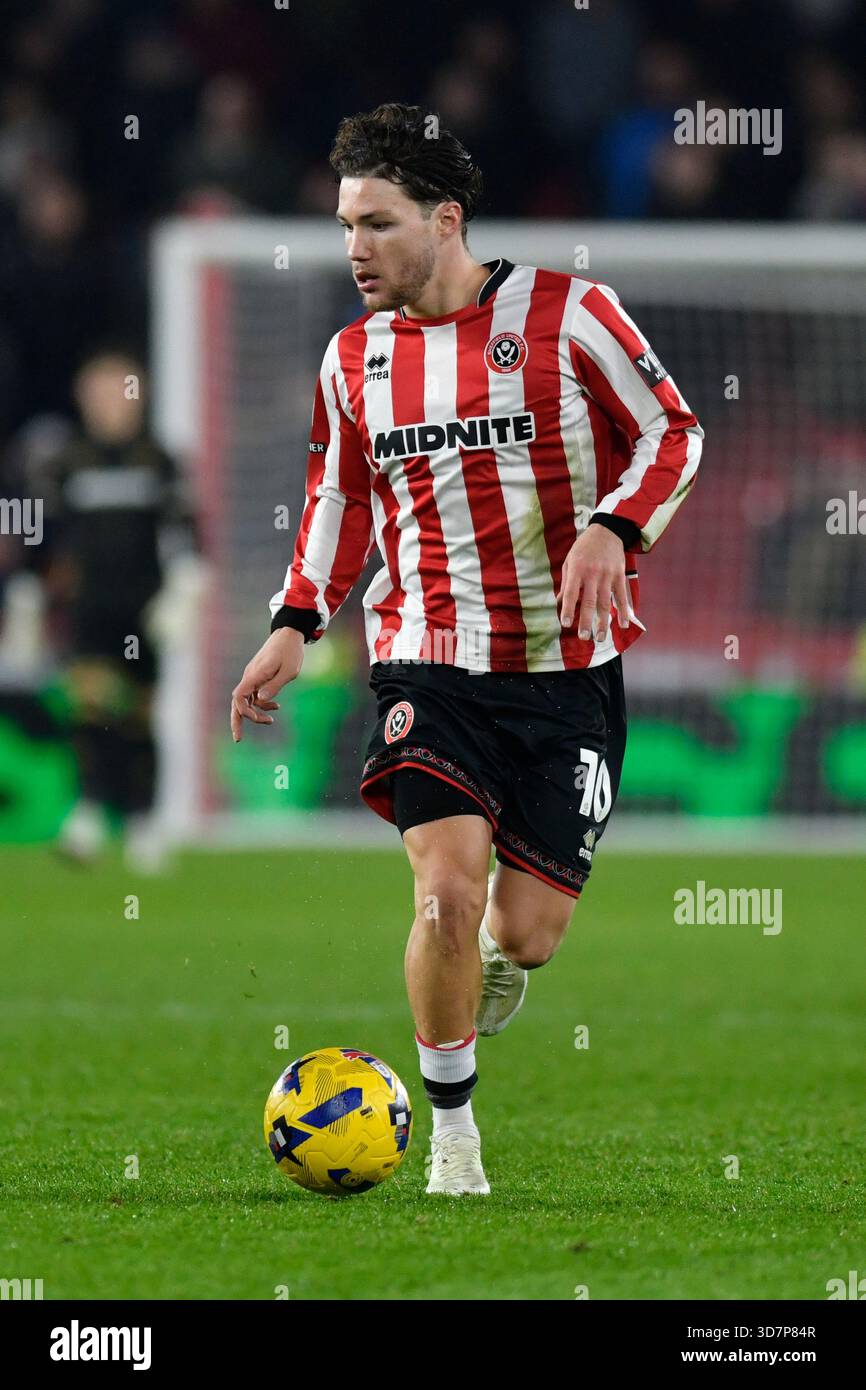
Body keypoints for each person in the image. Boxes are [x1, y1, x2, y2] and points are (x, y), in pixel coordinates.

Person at [231, 103, 703, 1195]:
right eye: (346, 223)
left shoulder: (569, 315)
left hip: (565, 671)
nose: (355, 248)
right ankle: (451, 1138)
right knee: (441, 891)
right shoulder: (354, 359)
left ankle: (491, 965)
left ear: (445, 221)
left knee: (524, 937)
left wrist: (611, 524)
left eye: (378, 223)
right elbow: (338, 498)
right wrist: (294, 622)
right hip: (425, 661)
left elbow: (673, 430)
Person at [36, 348, 201, 870]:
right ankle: (87, 812)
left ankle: (141, 818)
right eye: (100, 391)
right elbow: (44, 539)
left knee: (137, 717)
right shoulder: (67, 463)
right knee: (88, 711)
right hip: (88, 609)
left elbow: (188, 533)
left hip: (143, 610)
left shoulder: (157, 459)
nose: (111, 403)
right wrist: (29, 591)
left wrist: (186, 588)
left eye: (120, 389)